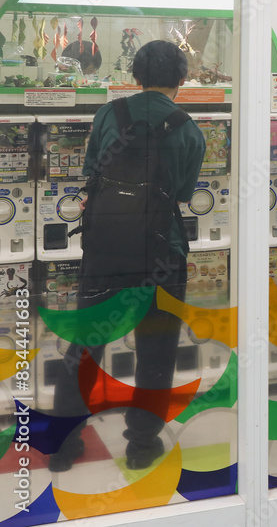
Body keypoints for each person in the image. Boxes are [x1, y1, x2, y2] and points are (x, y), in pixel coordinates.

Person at [48, 40, 205, 472]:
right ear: (183, 78)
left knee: (85, 346)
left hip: (105, 248)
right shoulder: (189, 128)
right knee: (156, 350)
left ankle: (62, 444)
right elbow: (185, 196)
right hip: (162, 253)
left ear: (135, 76)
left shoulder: (108, 113)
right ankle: (141, 445)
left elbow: (93, 168)